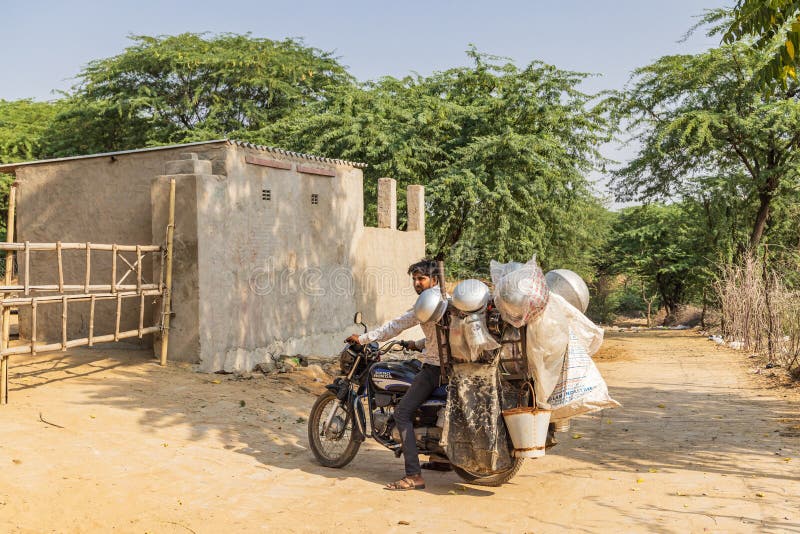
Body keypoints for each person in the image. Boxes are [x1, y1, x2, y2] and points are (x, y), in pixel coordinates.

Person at [345, 259, 447, 491]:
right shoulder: (447, 304)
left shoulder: (426, 305)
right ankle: (442, 459)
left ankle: (413, 475)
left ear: (434, 279)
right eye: (414, 279)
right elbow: (440, 339)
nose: (416, 283)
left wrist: (362, 338)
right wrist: (416, 343)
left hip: (433, 369)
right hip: (450, 369)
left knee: (402, 413)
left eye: (421, 278)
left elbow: (395, 325)